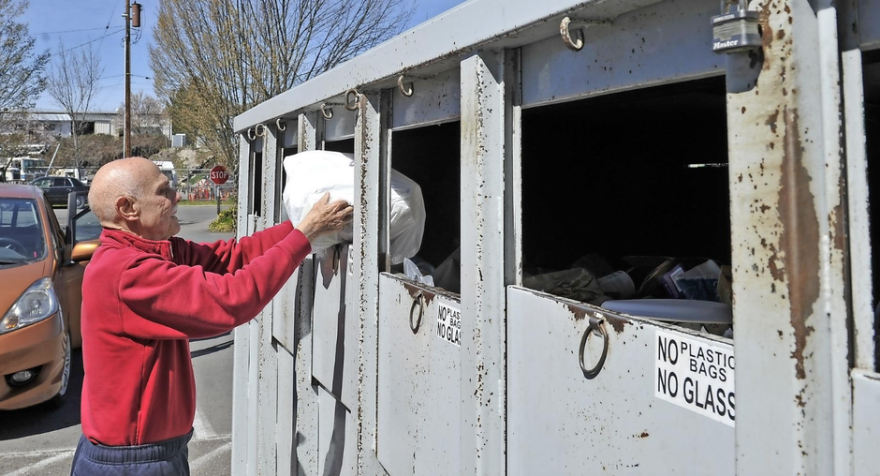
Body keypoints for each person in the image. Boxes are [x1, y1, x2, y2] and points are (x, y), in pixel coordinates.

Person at [70, 157, 352, 475]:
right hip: (133, 463)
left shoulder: (155, 251)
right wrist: (303, 237)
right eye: (164, 191)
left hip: (149, 454)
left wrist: (302, 224)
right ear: (128, 208)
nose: (177, 196)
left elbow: (234, 257)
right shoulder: (127, 272)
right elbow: (230, 301)